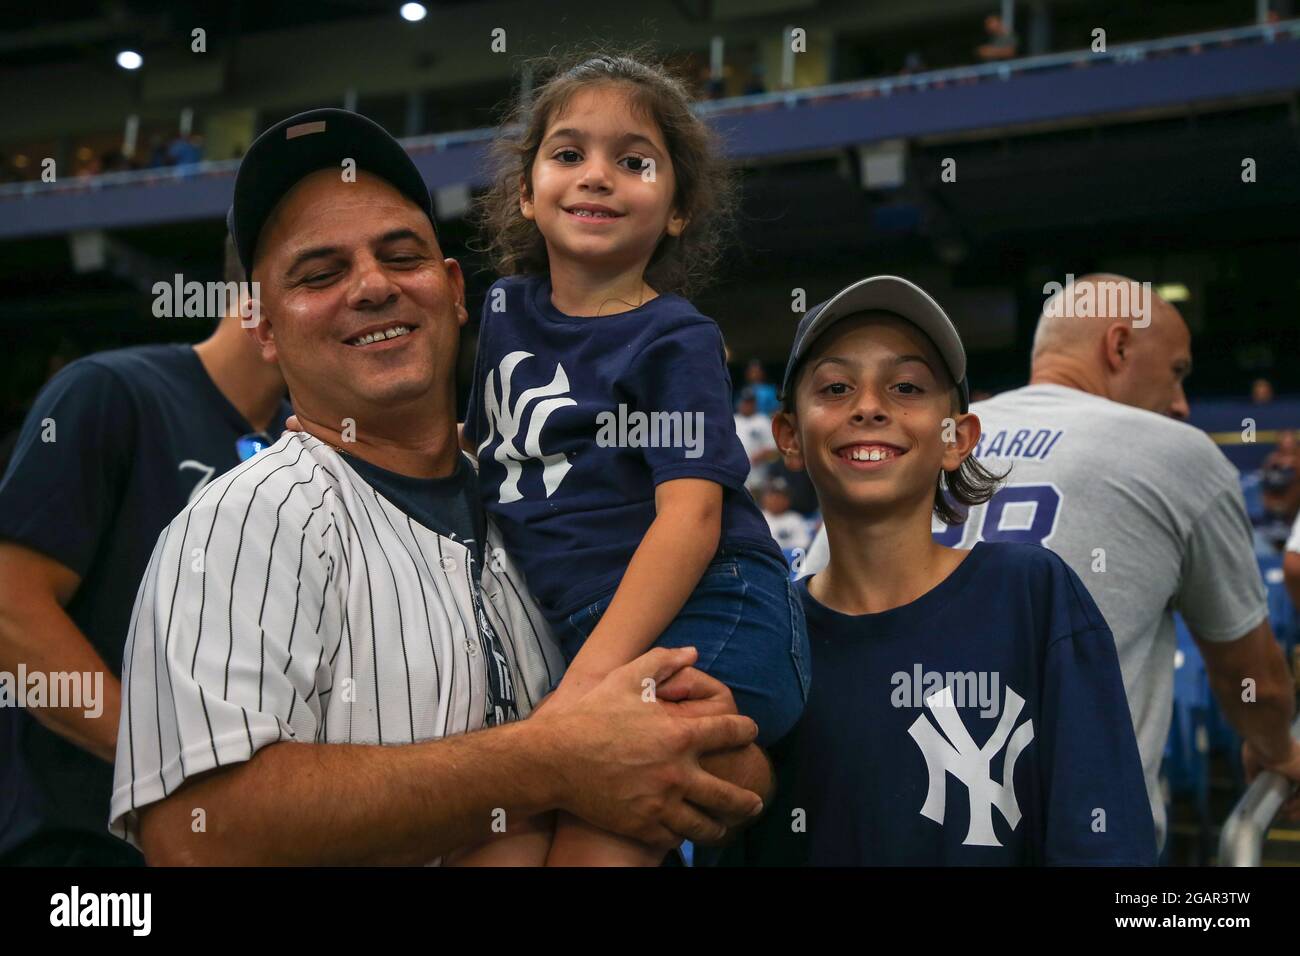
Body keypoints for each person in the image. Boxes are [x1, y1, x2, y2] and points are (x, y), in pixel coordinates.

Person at [110, 107, 771, 866]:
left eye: (401, 256)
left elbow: (724, 750)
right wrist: (549, 758)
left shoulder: (554, 512)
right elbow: (195, 833)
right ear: (260, 326)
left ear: (455, 290)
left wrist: (718, 745)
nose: (371, 287)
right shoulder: (242, 521)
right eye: (319, 274)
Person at [804, 273, 1300, 846]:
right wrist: (1278, 751)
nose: (1182, 403)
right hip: (1075, 835)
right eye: (1177, 372)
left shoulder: (900, 454)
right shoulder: (1175, 450)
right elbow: (1253, 680)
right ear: (1117, 346)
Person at [461, 53, 807, 866]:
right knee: (499, 834)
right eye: (569, 153)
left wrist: (579, 696)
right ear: (525, 191)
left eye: (634, 161)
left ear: (679, 209)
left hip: (712, 614)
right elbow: (484, 449)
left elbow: (690, 520)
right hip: (587, 633)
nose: (598, 177)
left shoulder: (674, 337)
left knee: (595, 826)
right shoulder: (505, 309)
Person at [731, 275, 1155, 864]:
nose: (870, 406)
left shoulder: (1032, 595)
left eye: (906, 386)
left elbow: (1106, 849)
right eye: (835, 387)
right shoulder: (764, 636)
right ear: (790, 437)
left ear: (959, 438)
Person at [0, 237, 289, 866]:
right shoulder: (109, 392)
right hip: (80, 853)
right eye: (322, 274)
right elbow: (10, 608)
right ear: (256, 301)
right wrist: (165, 768)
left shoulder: (304, 444)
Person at [734, 386, 779, 490]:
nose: (747, 405)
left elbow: (773, 448)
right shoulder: (733, 420)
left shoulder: (763, 420)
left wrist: (761, 455)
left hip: (759, 478)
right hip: (737, 477)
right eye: (745, 402)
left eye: (750, 402)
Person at [761, 477, 811, 553]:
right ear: (764, 498)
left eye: (780, 497)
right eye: (771, 495)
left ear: (788, 500)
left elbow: (803, 546)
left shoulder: (795, 519)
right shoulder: (756, 517)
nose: (775, 500)